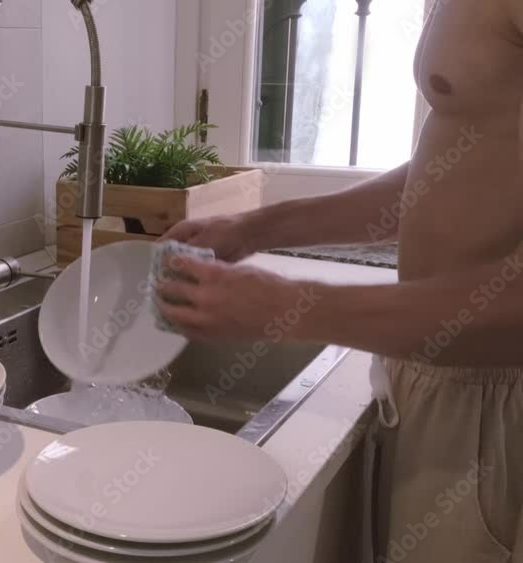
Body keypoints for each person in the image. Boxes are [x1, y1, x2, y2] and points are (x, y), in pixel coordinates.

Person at [157, 2, 523, 562]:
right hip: (437, 385)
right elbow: (451, 167)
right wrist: (259, 226)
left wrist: (292, 306)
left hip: (493, 410)